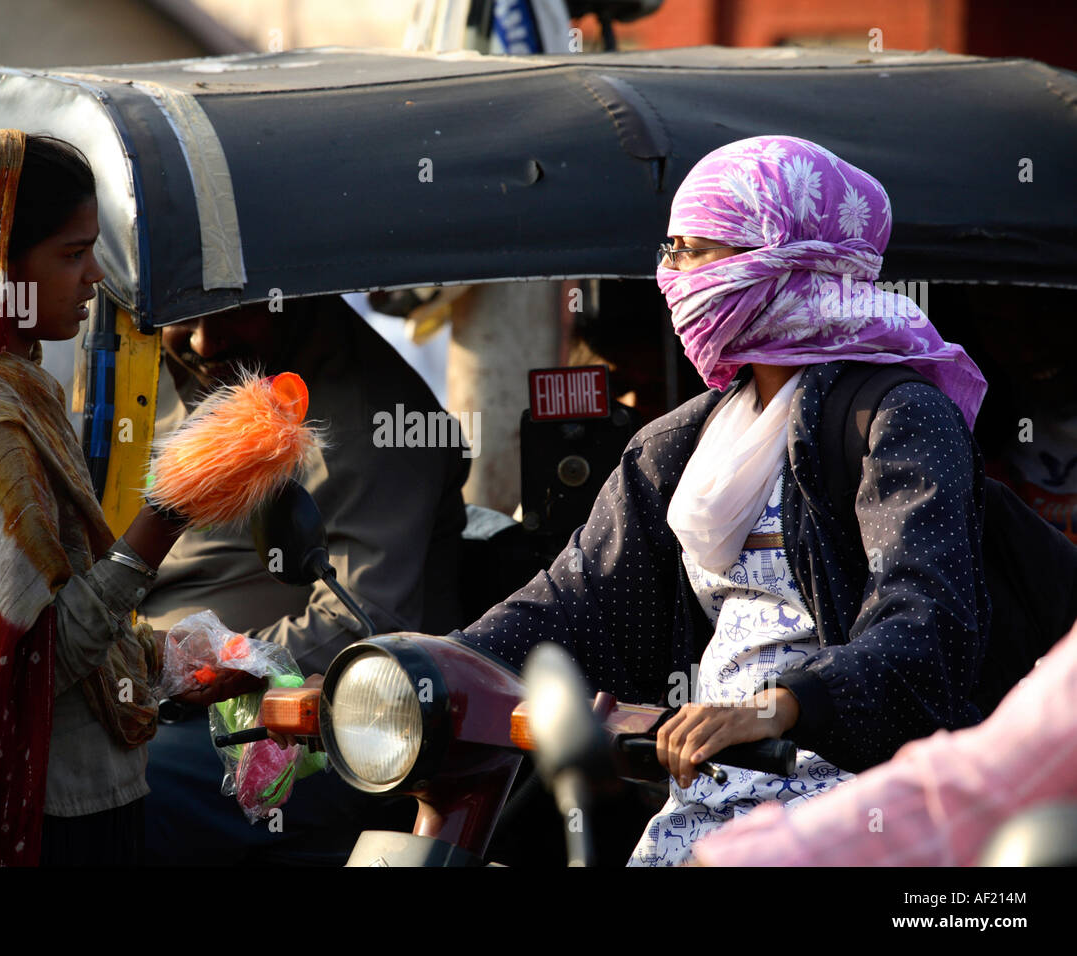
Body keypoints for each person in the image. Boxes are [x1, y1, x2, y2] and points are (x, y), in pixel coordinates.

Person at [453, 134, 991, 865]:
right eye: (669, 249)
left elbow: (925, 624)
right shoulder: (681, 442)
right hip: (702, 802)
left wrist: (781, 706)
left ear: (788, 262)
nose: (672, 274)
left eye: (699, 251)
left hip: (853, 806)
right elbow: (577, 601)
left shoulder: (897, 416)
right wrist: (426, 667)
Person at [0, 129, 224, 866]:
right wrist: (165, 517)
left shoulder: (20, 393)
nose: (94, 276)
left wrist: (167, 657)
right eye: (71, 253)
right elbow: (35, 663)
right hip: (52, 813)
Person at [136, 294, 471, 863]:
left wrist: (220, 662)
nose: (202, 342)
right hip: (154, 685)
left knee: (112, 794)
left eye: (230, 310)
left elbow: (365, 622)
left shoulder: (371, 417)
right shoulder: (163, 374)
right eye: (185, 311)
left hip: (310, 728)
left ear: (288, 291)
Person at [692, 617, 1077, 866]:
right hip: (700, 791)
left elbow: (979, 786)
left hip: (845, 777)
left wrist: (794, 699)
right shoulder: (665, 491)